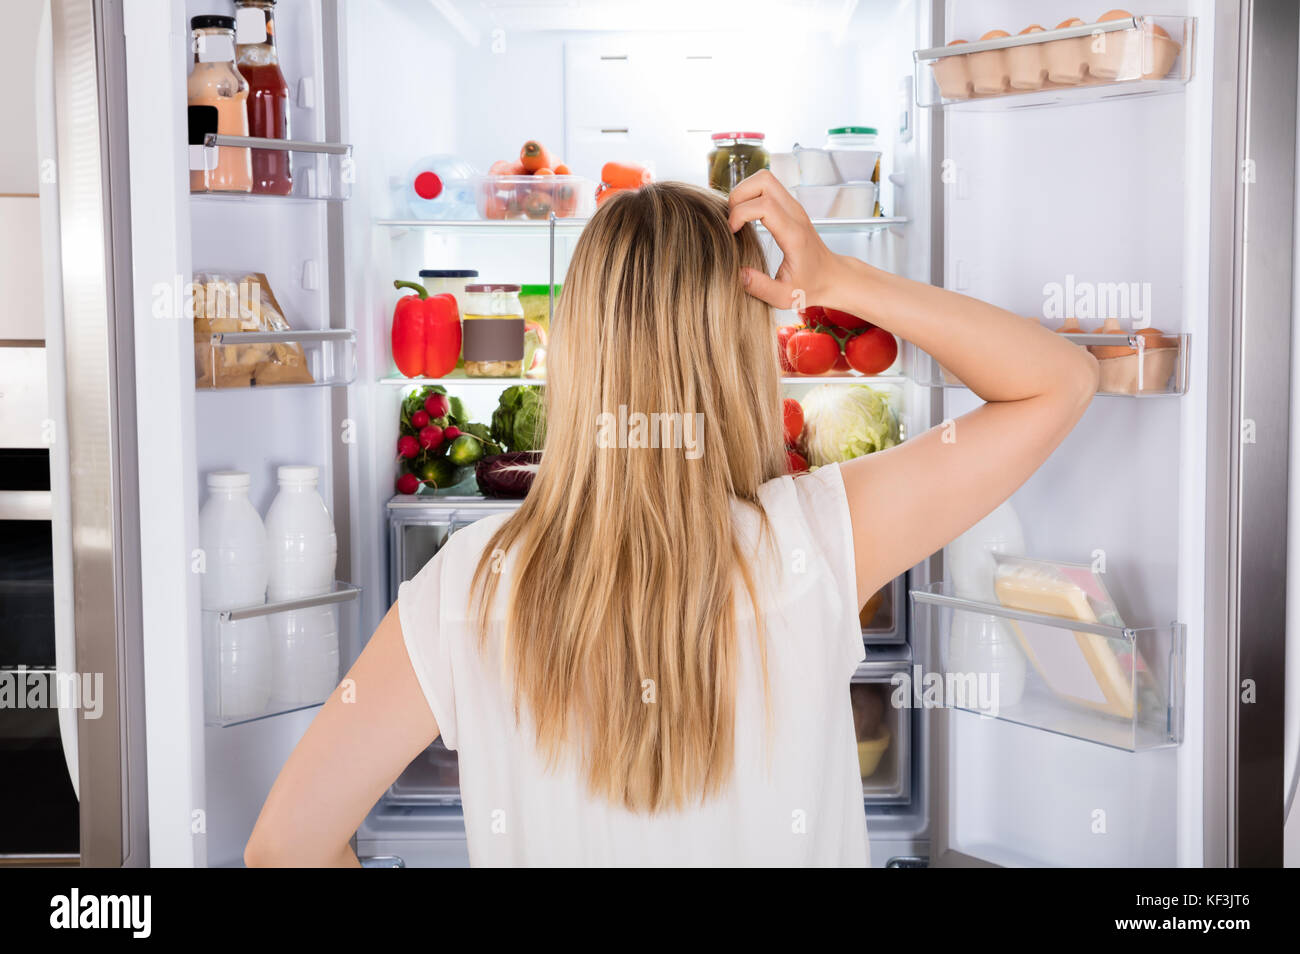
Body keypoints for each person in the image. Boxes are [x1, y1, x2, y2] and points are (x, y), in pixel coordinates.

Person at [245, 173, 1098, 867]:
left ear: (577, 349)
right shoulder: (818, 539)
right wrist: (839, 281)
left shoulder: (465, 587)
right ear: (741, 350)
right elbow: (1059, 381)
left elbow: (285, 846)